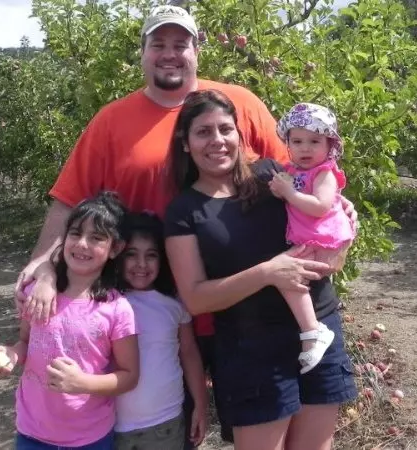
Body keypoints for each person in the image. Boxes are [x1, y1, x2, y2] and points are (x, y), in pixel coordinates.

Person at [14, 5, 292, 446]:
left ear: (197, 50)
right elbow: (69, 200)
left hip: (246, 305)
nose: (169, 54)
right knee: (161, 428)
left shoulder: (239, 105)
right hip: (150, 315)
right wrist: (45, 265)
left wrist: (332, 214)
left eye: (180, 44)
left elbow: (293, 174)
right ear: (142, 53)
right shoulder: (111, 121)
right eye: (157, 44)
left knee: (260, 428)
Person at [164, 89, 357, 450]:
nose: (217, 140)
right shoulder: (185, 211)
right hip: (251, 347)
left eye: (226, 129)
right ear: (186, 143)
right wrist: (268, 272)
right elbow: (195, 297)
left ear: (239, 134)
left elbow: (325, 216)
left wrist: (345, 229)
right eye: (203, 132)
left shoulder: (272, 176)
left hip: (319, 329)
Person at [0, 192, 139, 449]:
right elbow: (24, 341)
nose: (82, 244)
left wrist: (83, 383)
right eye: (75, 233)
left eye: (97, 238)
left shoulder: (117, 309)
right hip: (31, 433)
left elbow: (130, 376)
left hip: (90, 437)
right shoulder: (38, 293)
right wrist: (11, 355)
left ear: (116, 249)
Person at [265, 103, 357, 374]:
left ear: (329, 145)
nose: (305, 148)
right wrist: (277, 189)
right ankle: (312, 330)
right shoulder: (292, 170)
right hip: (312, 238)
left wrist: (289, 194)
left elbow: (320, 205)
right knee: (288, 277)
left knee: (287, 276)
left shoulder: (324, 172)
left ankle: (313, 331)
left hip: (324, 239)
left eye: (314, 141)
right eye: (297, 141)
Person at [114, 211, 207, 450]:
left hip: (165, 424)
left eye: (151, 255)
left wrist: (200, 403)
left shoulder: (174, 303)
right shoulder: (104, 302)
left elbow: (188, 352)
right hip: (111, 426)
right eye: (131, 255)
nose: (141, 265)